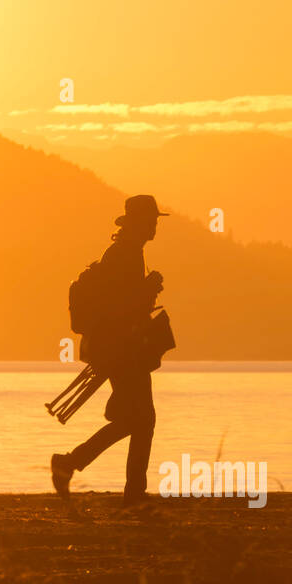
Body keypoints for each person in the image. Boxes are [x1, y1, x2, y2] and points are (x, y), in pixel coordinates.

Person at [51, 195, 168, 506]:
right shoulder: (123, 255)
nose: (155, 225)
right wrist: (146, 290)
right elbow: (118, 308)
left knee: (138, 420)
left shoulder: (127, 253)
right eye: (152, 220)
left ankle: (77, 466)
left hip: (124, 349)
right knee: (142, 419)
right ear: (139, 224)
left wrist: (146, 289)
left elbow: (123, 303)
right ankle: (125, 490)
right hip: (124, 350)